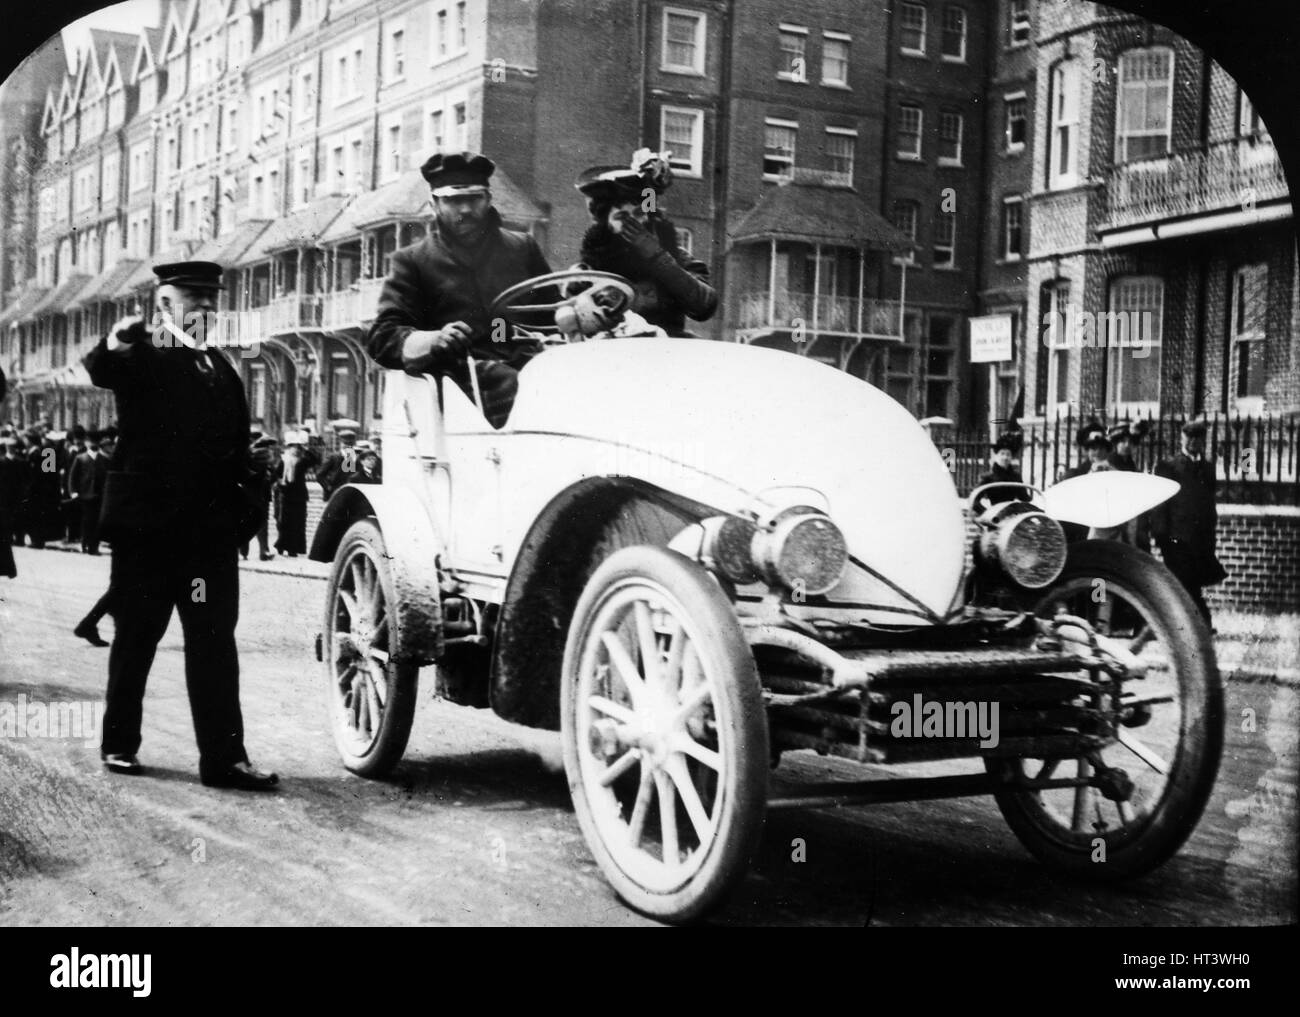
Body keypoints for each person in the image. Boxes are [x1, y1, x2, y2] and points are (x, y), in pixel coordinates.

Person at [83, 259, 277, 790]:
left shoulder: (217, 364)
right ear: (165, 303)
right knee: (137, 639)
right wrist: (117, 342)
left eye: (212, 298)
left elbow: (229, 445)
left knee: (215, 644)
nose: (208, 306)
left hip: (207, 538)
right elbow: (104, 369)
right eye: (195, 296)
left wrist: (250, 468)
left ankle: (224, 759)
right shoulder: (144, 354)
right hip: (149, 533)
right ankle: (119, 744)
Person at [367, 151, 553, 429]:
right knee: (510, 382)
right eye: (454, 200)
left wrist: (576, 310)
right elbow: (382, 338)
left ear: (488, 199)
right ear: (435, 204)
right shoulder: (413, 261)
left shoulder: (522, 248)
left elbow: (550, 310)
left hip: (527, 363)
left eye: (474, 198)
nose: (465, 209)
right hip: (455, 379)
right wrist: (433, 339)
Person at [572, 149, 717, 336]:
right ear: (605, 223)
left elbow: (705, 305)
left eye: (640, 214)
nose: (634, 223)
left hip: (666, 351)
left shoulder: (677, 257)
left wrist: (657, 257)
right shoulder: (589, 270)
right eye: (622, 216)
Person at [1151, 419, 1225, 625]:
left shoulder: (1208, 469)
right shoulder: (1169, 466)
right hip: (1176, 538)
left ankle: (1189, 622)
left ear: (1203, 441)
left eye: (1198, 438)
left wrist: (1211, 535)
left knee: (1193, 581)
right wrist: (1161, 536)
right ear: (1182, 438)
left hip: (1200, 539)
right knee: (1182, 581)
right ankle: (1200, 622)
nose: (1193, 442)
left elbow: (1209, 504)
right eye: (1189, 437)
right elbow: (1160, 505)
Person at [67, 429, 112, 554]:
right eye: (90, 441)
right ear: (86, 443)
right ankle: (85, 543)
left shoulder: (104, 460)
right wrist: (73, 491)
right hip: (85, 494)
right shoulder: (80, 458)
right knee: (87, 521)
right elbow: (72, 476)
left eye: (95, 442)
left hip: (99, 495)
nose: (93, 444)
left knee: (97, 522)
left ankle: (94, 546)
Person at [273, 430, 316, 557]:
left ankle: (293, 547)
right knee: (285, 522)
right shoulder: (284, 460)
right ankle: (283, 545)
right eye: (294, 447)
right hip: (286, 495)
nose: (297, 450)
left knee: (297, 523)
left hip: (299, 496)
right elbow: (276, 475)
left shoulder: (349, 453)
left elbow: (314, 460)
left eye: (299, 447)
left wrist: (307, 447)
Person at [241, 433, 278, 561]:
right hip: (260, 493)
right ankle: (263, 551)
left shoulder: (246, 454)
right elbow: (273, 474)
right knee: (262, 522)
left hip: (249, 492)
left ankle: (245, 551)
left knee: (247, 520)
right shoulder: (264, 456)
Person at [974, 433, 1031, 507]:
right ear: (996, 455)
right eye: (1002, 454)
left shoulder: (1016, 477)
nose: (1005, 457)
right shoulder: (987, 477)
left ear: (1011, 457)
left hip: (1012, 513)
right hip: (996, 515)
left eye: (1008, 454)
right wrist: (987, 514)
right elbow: (974, 499)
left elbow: (1024, 498)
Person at [316, 429, 357, 502]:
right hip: (335, 492)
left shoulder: (356, 457)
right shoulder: (333, 457)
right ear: (341, 443)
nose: (348, 446)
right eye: (345, 443)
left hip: (351, 492)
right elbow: (320, 475)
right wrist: (328, 487)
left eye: (350, 444)